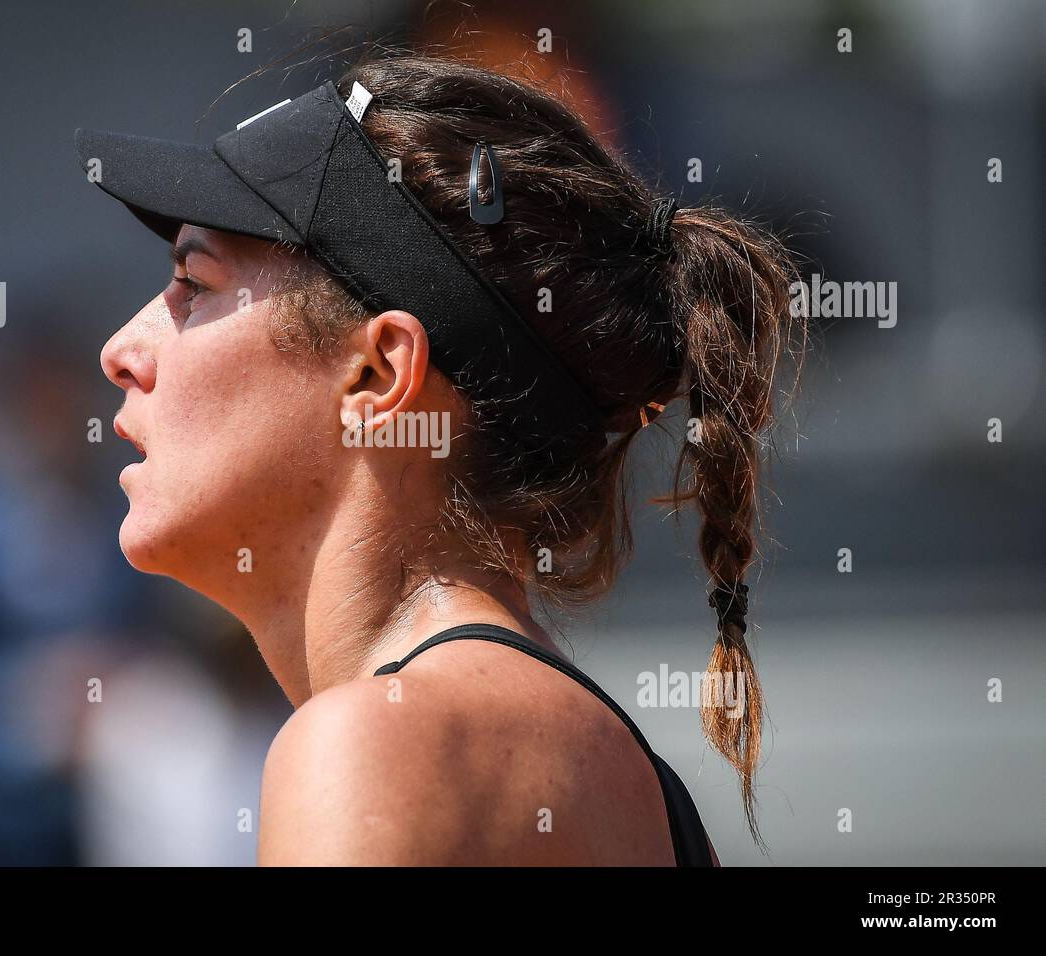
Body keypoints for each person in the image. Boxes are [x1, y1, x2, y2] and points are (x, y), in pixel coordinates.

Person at [76, 52, 803, 865]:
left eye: (194, 282)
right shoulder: (619, 778)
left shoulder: (378, 746)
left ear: (379, 374)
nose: (121, 350)